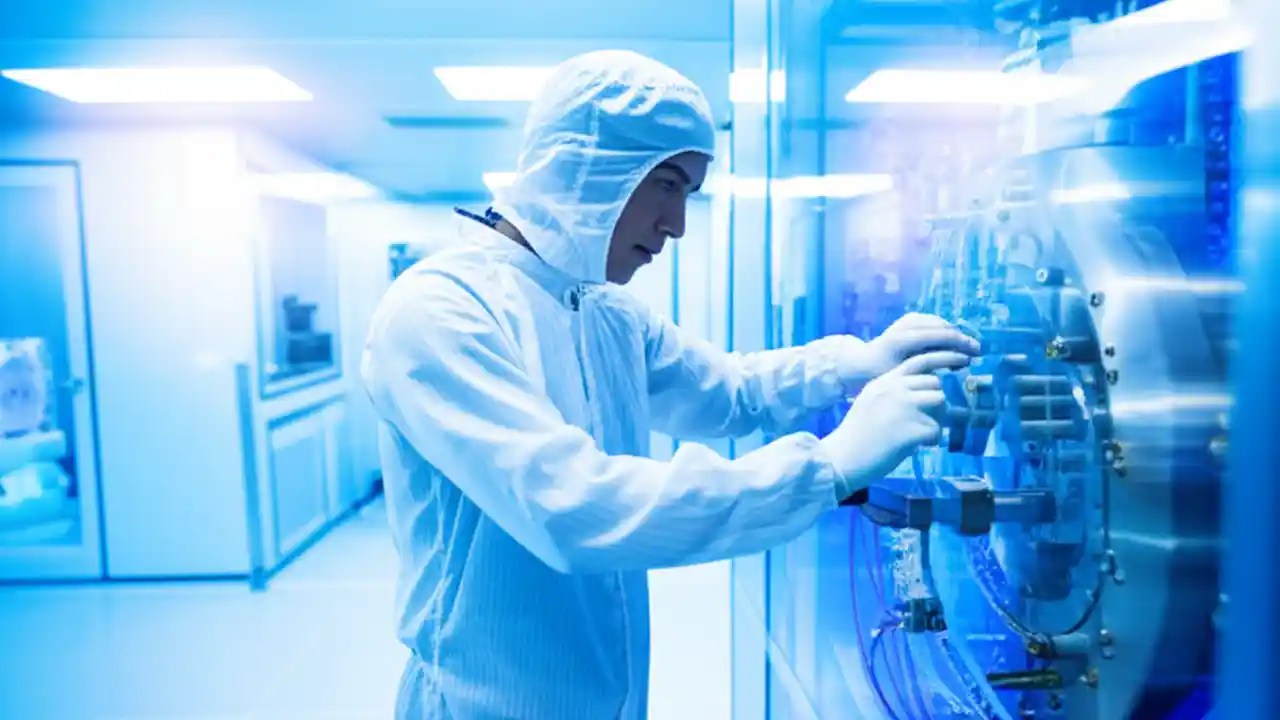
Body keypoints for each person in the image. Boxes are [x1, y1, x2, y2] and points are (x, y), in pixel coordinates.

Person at [361, 50, 979, 719]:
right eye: (667, 183)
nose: (676, 225)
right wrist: (826, 465)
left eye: (688, 194)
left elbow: (730, 393)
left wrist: (860, 360)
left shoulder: (604, 310)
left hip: (611, 695)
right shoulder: (440, 310)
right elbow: (571, 509)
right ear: (586, 166)